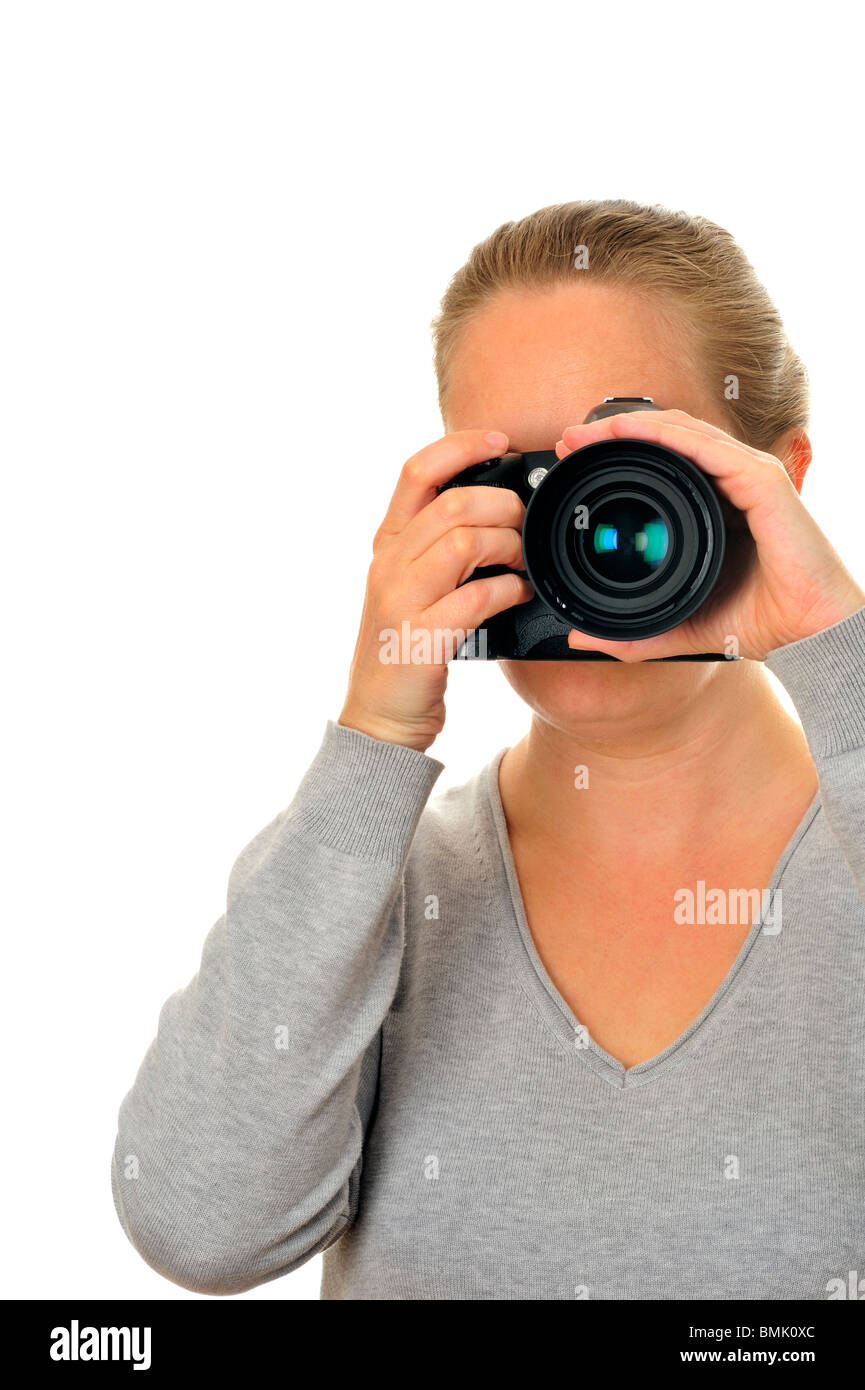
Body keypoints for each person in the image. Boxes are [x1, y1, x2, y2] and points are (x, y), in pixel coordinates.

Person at [111, 200, 865, 1300]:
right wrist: (375, 737)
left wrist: (839, 657)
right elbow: (200, 1227)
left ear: (778, 486)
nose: (580, 533)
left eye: (628, 471)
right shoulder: (380, 890)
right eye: (521, 484)